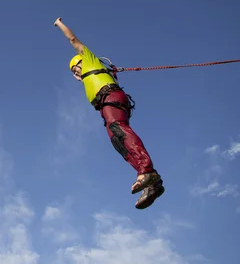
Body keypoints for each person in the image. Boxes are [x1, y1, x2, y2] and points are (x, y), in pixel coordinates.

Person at [54, 17, 165, 209]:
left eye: (75, 68)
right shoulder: (87, 78)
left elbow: (73, 40)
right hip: (106, 106)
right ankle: (151, 182)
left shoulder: (89, 59)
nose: (75, 74)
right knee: (118, 141)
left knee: (118, 129)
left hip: (111, 98)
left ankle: (147, 171)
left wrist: (59, 23)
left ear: (81, 61)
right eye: (72, 71)